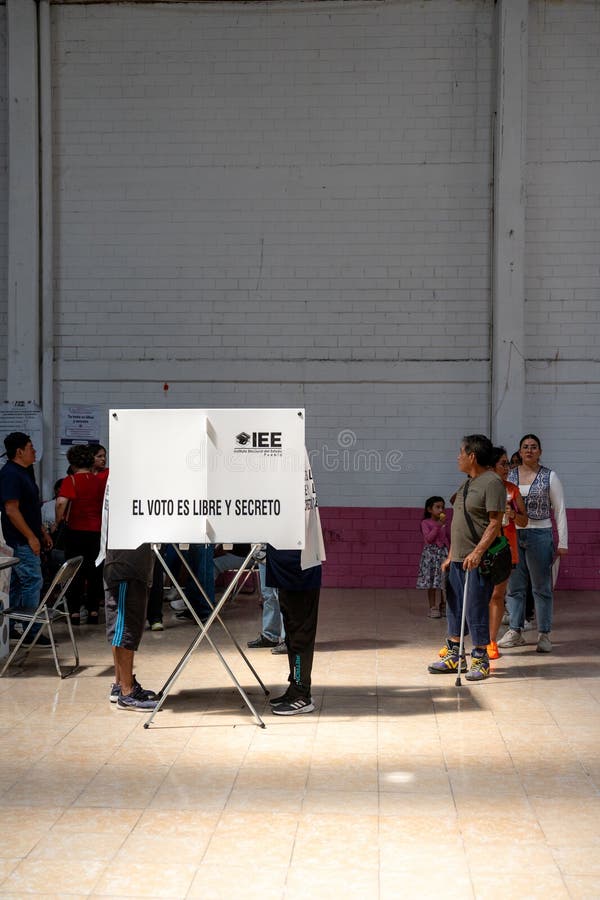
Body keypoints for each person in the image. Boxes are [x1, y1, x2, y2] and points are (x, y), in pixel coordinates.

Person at [428, 434, 506, 682]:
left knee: (474, 608)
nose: (458, 457)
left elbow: (495, 523)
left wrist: (477, 552)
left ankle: (480, 658)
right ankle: (454, 655)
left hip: (477, 561)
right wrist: (452, 555)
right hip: (458, 559)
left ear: (472, 455)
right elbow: (459, 521)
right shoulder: (467, 483)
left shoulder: (492, 482)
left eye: (461, 453)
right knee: (454, 607)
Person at [499, 433, 568, 654]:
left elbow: (559, 510)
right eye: (525, 446)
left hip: (540, 534)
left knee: (541, 587)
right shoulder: (509, 477)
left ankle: (544, 634)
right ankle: (515, 631)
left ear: (540, 451)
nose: (529, 450)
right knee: (515, 587)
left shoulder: (550, 476)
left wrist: (563, 541)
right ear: (519, 452)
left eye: (534, 447)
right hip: (513, 535)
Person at [0, 432, 53, 646]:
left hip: (28, 535)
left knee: (16, 584)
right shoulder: (10, 474)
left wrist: (41, 531)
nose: (35, 451)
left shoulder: (26, 471)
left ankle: (12, 626)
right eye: (31, 447)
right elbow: (12, 510)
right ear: (19, 451)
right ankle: (31, 631)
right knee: (33, 581)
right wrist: (31, 538)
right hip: (19, 540)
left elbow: (30, 508)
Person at [104, 544, 159, 710]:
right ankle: (127, 693)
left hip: (130, 565)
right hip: (125, 568)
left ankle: (121, 684)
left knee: (127, 628)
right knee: (124, 629)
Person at [55, 444, 106, 624]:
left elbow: (61, 503)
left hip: (75, 532)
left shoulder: (71, 481)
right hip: (97, 532)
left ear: (72, 462)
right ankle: (93, 611)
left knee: (74, 571)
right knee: (94, 572)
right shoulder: (99, 481)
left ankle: (75, 612)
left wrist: (57, 521)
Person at [486, 447, 528, 660]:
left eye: (508, 464)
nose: (508, 468)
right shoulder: (479, 487)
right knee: (480, 594)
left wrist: (513, 515)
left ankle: (492, 641)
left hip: (505, 548)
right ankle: (477, 638)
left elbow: (524, 520)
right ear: (491, 466)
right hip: (481, 549)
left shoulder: (513, 490)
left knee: (497, 594)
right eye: (503, 463)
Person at [416, 496, 449, 618]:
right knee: (432, 581)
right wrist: (438, 525)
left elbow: (446, 538)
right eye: (438, 507)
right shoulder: (425, 523)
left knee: (444, 581)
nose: (441, 510)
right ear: (430, 509)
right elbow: (429, 539)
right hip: (431, 555)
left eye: (442, 507)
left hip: (442, 555)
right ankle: (432, 606)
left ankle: (444, 604)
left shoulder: (444, 524)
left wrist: (449, 550)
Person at [247, 555, 286, 653]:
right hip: (262, 551)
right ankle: (270, 636)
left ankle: (287, 639)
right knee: (268, 595)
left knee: (282, 595)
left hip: (278, 550)